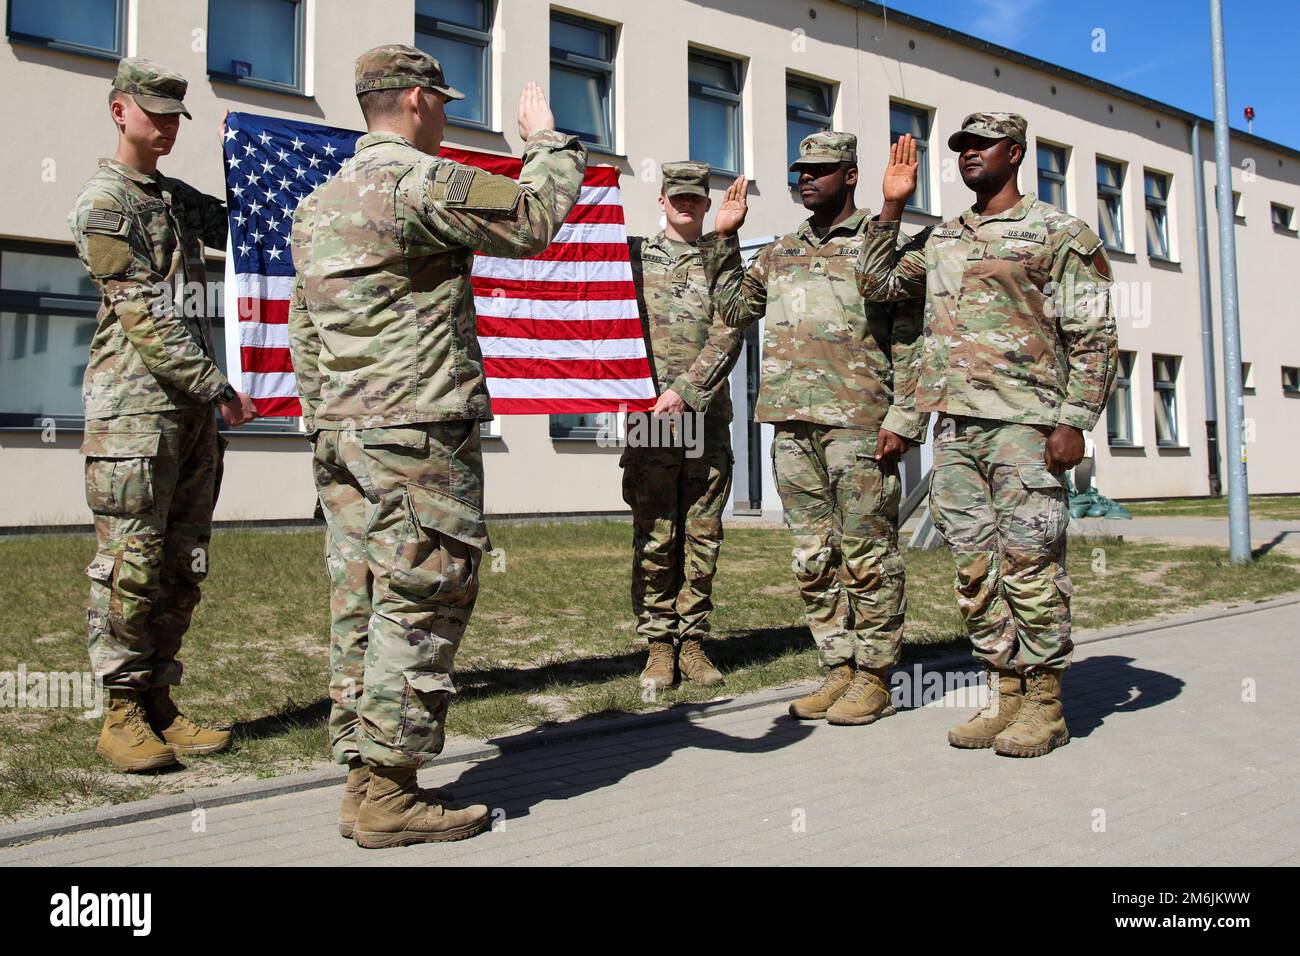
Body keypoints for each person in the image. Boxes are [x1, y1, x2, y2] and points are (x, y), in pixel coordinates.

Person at [288, 44, 586, 846]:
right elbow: (531, 218)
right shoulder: (418, 181)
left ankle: (364, 778)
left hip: (344, 435)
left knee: (363, 602)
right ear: (417, 101)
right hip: (416, 433)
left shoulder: (319, 203)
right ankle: (391, 794)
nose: (448, 117)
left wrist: (328, 420)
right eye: (444, 104)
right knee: (423, 598)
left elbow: (303, 332)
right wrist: (548, 144)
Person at [856, 113, 1118, 757]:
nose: (969, 154)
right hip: (957, 431)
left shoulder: (1059, 233)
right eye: (962, 147)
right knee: (975, 569)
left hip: (1027, 429)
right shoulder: (943, 237)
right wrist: (891, 206)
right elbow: (878, 284)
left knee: (1030, 565)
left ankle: (1047, 704)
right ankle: (1005, 695)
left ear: (1016, 152)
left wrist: (1075, 421)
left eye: (982, 145)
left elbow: (1094, 335)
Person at [68, 57, 257, 773]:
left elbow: (247, 226)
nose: (169, 125)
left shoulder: (172, 198)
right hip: (134, 418)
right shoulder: (104, 201)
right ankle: (118, 715)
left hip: (190, 417)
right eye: (156, 112)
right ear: (120, 112)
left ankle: (157, 703)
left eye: (177, 115)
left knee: (182, 564)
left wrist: (253, 148)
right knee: (131, 565)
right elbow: (143, 311)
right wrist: (216, 385)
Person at [698, 132, 926, 726]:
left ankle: (876, 675)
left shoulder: (881, 244)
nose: (806, 179)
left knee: (867, 553)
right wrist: (723, 239)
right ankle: (839, 667)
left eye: (820, 170)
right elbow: (732, 311)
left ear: (850, 176)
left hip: (859, 424)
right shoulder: (780, 250)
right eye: (799, 169)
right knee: (812, 557)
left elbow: (911, 338)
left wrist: (904, 418)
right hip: (792, 423)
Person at [624, 161, 743, 691]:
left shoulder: (722, 259)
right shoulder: (628, 257)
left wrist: (686, 390)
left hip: (705, 417)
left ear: (706, 200)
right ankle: (656, 645)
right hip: (649, 418)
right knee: (654, 531)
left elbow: (731, 330)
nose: (686, 204)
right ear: (662, 198)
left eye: (696, 196)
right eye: (678, 195)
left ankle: (692, 642)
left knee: (702, 531)